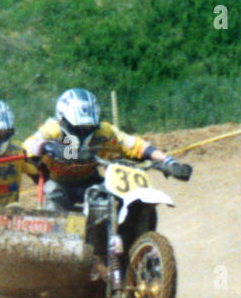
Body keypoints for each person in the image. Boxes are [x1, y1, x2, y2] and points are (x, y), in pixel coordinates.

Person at [23, 89, 189, 211]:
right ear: (63, 120)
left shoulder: (105, 132)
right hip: (59, 184)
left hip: (90, 181)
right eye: (79, 127)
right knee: (53, 206)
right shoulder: (52, 130)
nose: (85, 130)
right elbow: (29, 145)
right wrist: (47, 147)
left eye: (89, 126)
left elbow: (135, 145)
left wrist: (169, 162)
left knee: (117, 200)